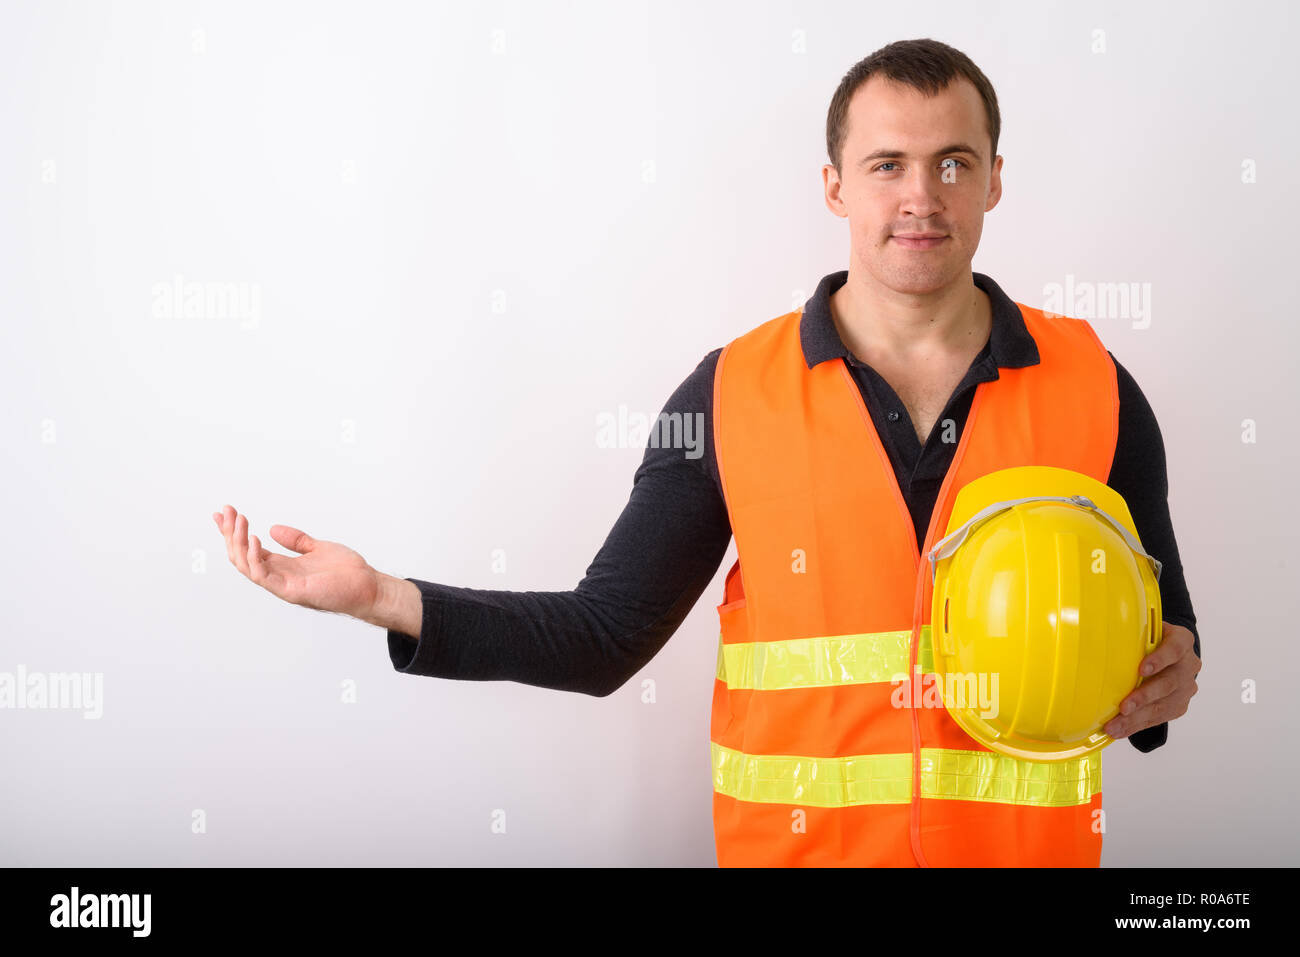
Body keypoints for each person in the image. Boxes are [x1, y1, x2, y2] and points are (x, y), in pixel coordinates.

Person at [213, 38, 1200, 866]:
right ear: (833, 186)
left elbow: (1158, 670)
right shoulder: (731, 393)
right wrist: (384, 597)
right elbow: (605, 637)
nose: (922, 194)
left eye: (952, 162)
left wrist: (1170, 679)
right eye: (887, 164)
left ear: (993, 179)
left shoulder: (1093, 384)